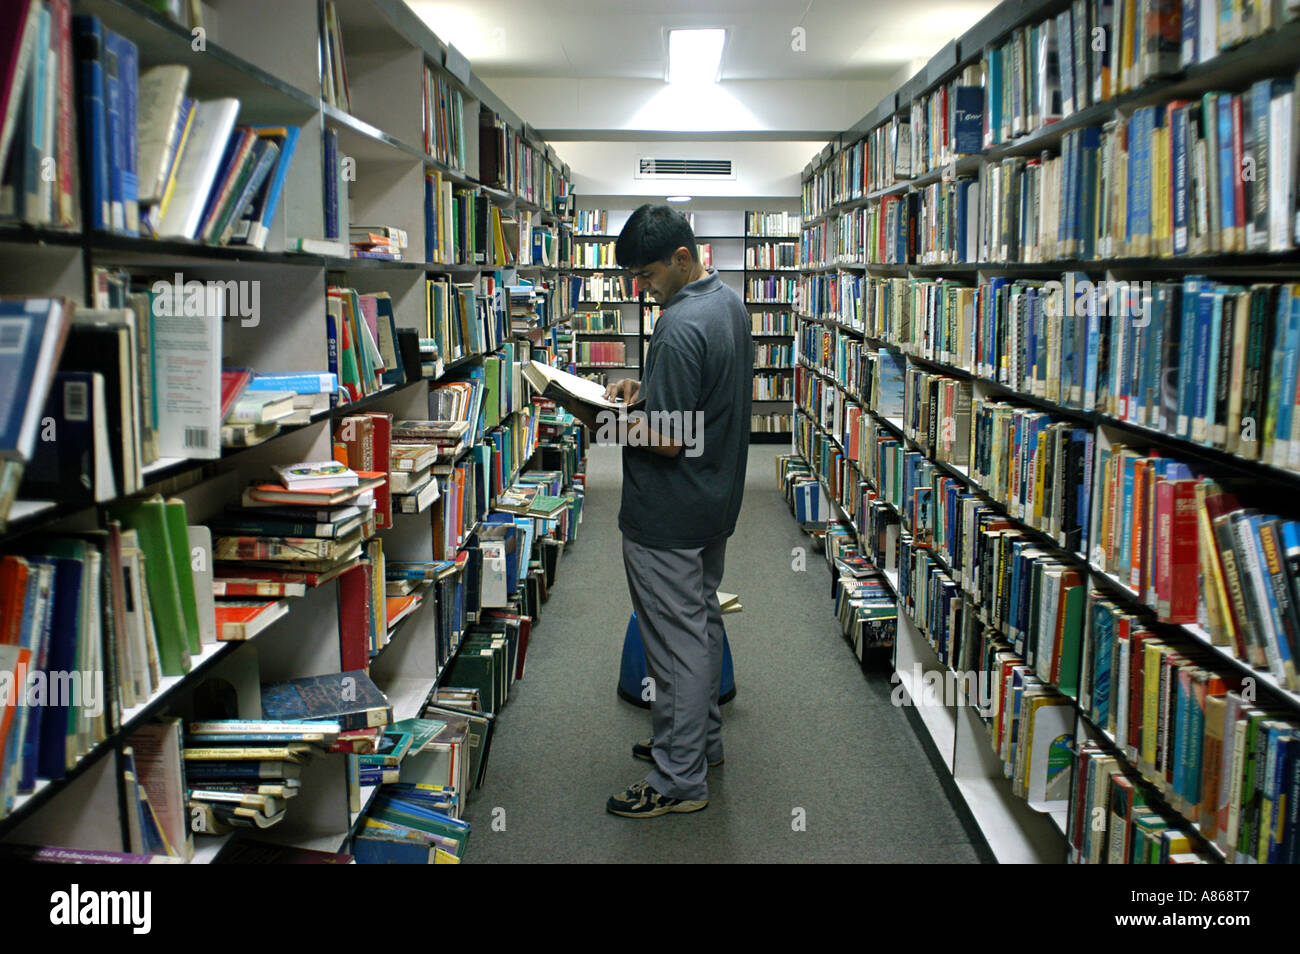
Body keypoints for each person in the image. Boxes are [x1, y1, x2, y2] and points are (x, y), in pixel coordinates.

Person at [566, 203, 753, 818]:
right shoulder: (727, 304)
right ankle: (700, 746)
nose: (639, 290)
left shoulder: (677, 324)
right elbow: (695, 403)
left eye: (646, 276)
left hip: (668, 513)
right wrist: (639, 394)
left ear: (681, 258)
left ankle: (679, 781)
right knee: (700, 624)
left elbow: (671, 438)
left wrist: (599, 418)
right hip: (713, 500)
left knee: (674, 646)